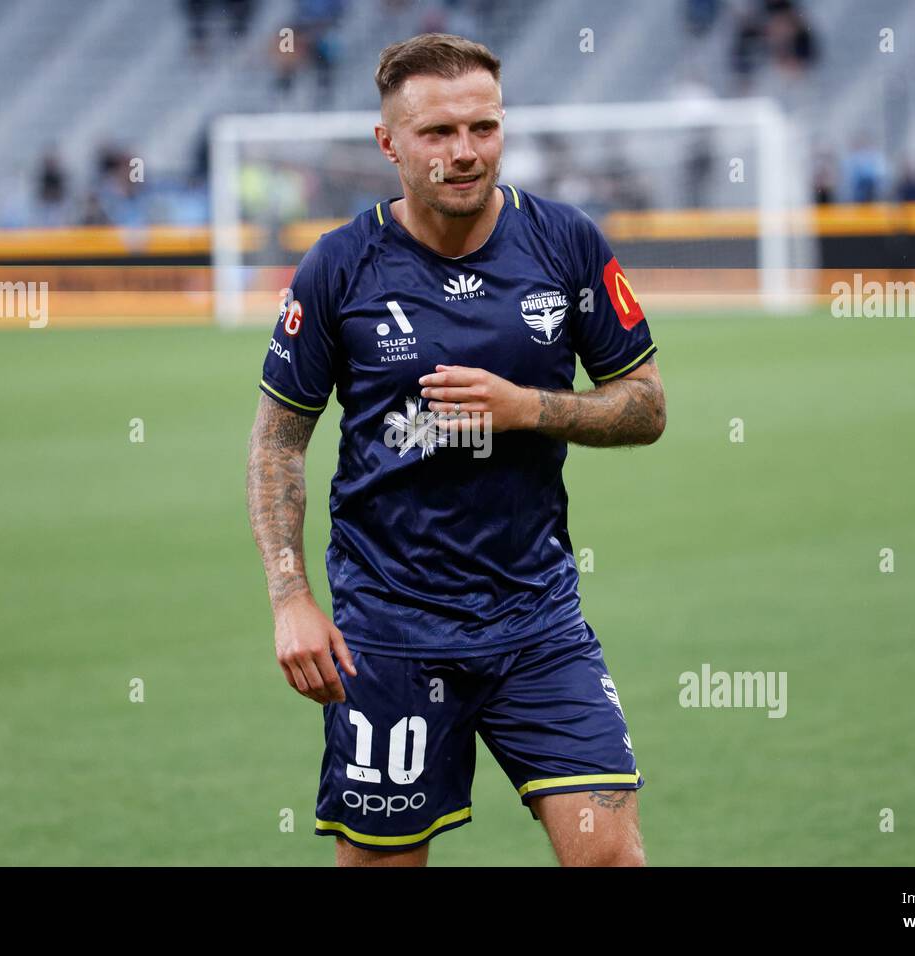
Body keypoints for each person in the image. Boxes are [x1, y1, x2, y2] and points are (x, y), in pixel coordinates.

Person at [246, 33, 665, 867]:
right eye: (437, 132)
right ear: (389, 143)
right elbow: (278, 442)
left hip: (538, 619)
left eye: (484, 127)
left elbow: (646, 405)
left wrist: (529, 408)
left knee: (610, 858)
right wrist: (290, 597)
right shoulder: (339, 266)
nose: (465, 151)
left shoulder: (566, 243)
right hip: (388, 629)